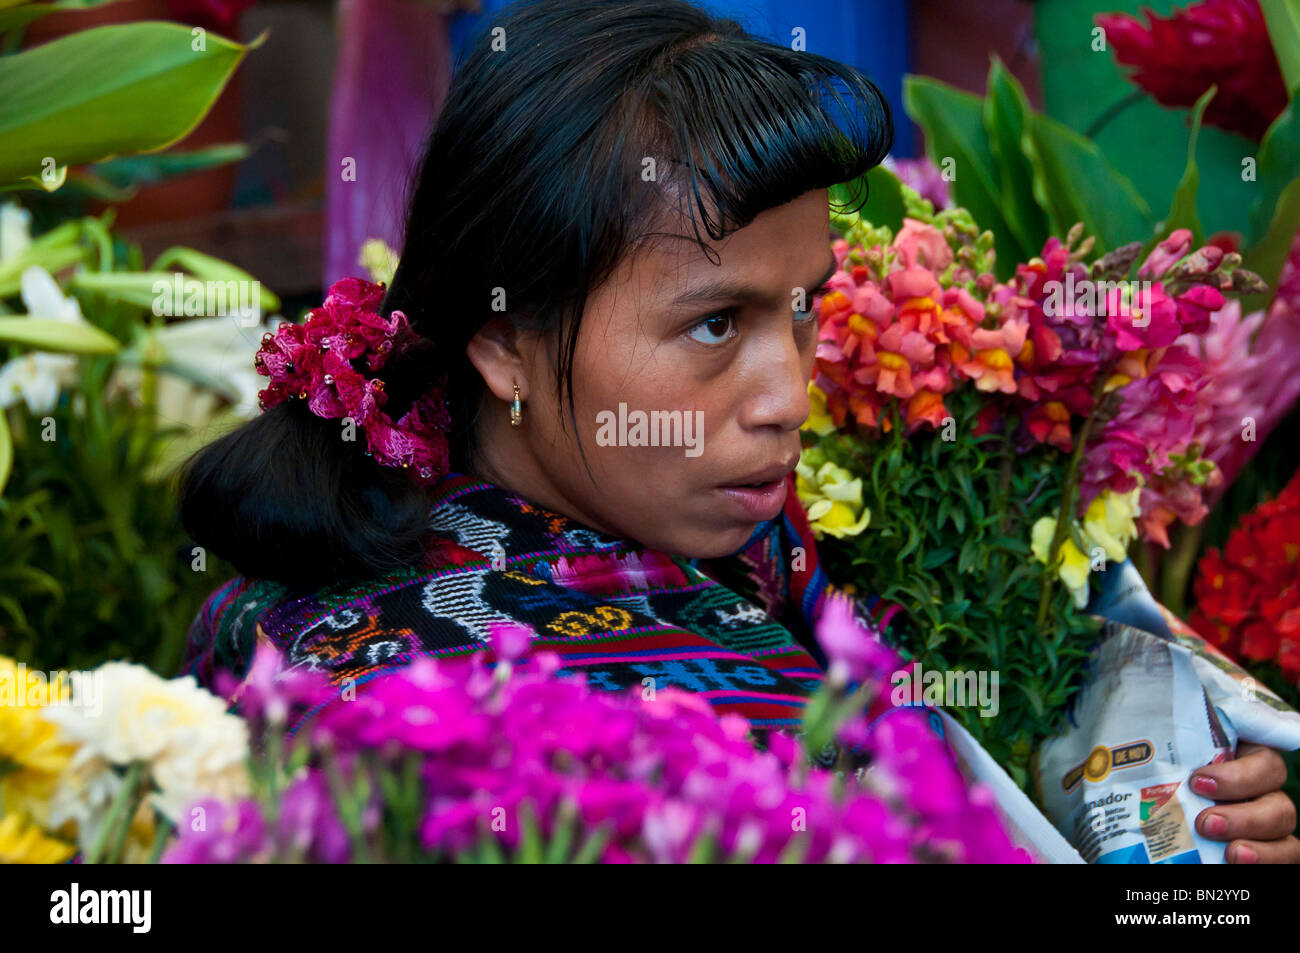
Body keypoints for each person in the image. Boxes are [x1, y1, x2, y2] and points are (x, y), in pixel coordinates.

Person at [177, 0, 1297, 863]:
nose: (786, 395)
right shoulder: (476, 720)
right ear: (505, 343)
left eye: (803, 306)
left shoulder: (747, 577)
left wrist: (1159, 827)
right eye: (714, 323)